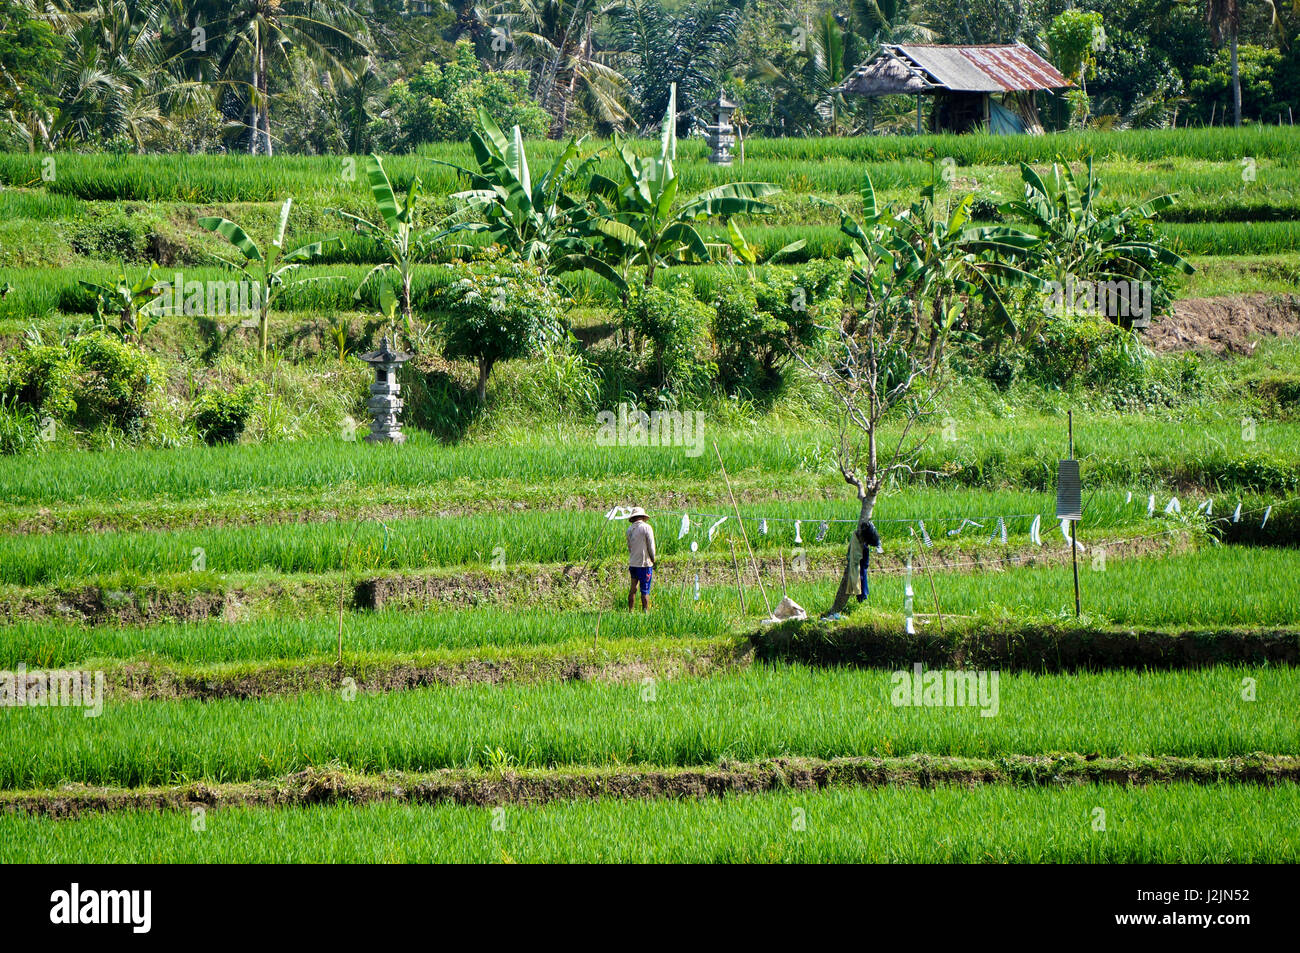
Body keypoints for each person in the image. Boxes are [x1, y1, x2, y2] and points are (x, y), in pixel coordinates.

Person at [625, 507, 656, 611]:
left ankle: (630, 610)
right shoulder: (646, 528)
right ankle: (645, 612)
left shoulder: (629, 530)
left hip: (633, 563)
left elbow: (630, 548)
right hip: (644, 564)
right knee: (645, 590)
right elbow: (651, 546)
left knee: (633, 588)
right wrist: (653, 559)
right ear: (643, 517)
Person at [856, 517, 880, 602]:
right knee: (862, 571)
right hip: (862, 550)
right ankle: (862, 595)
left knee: (861, 572)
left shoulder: (862, 544)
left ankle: (862, 595)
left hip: (862, 551)